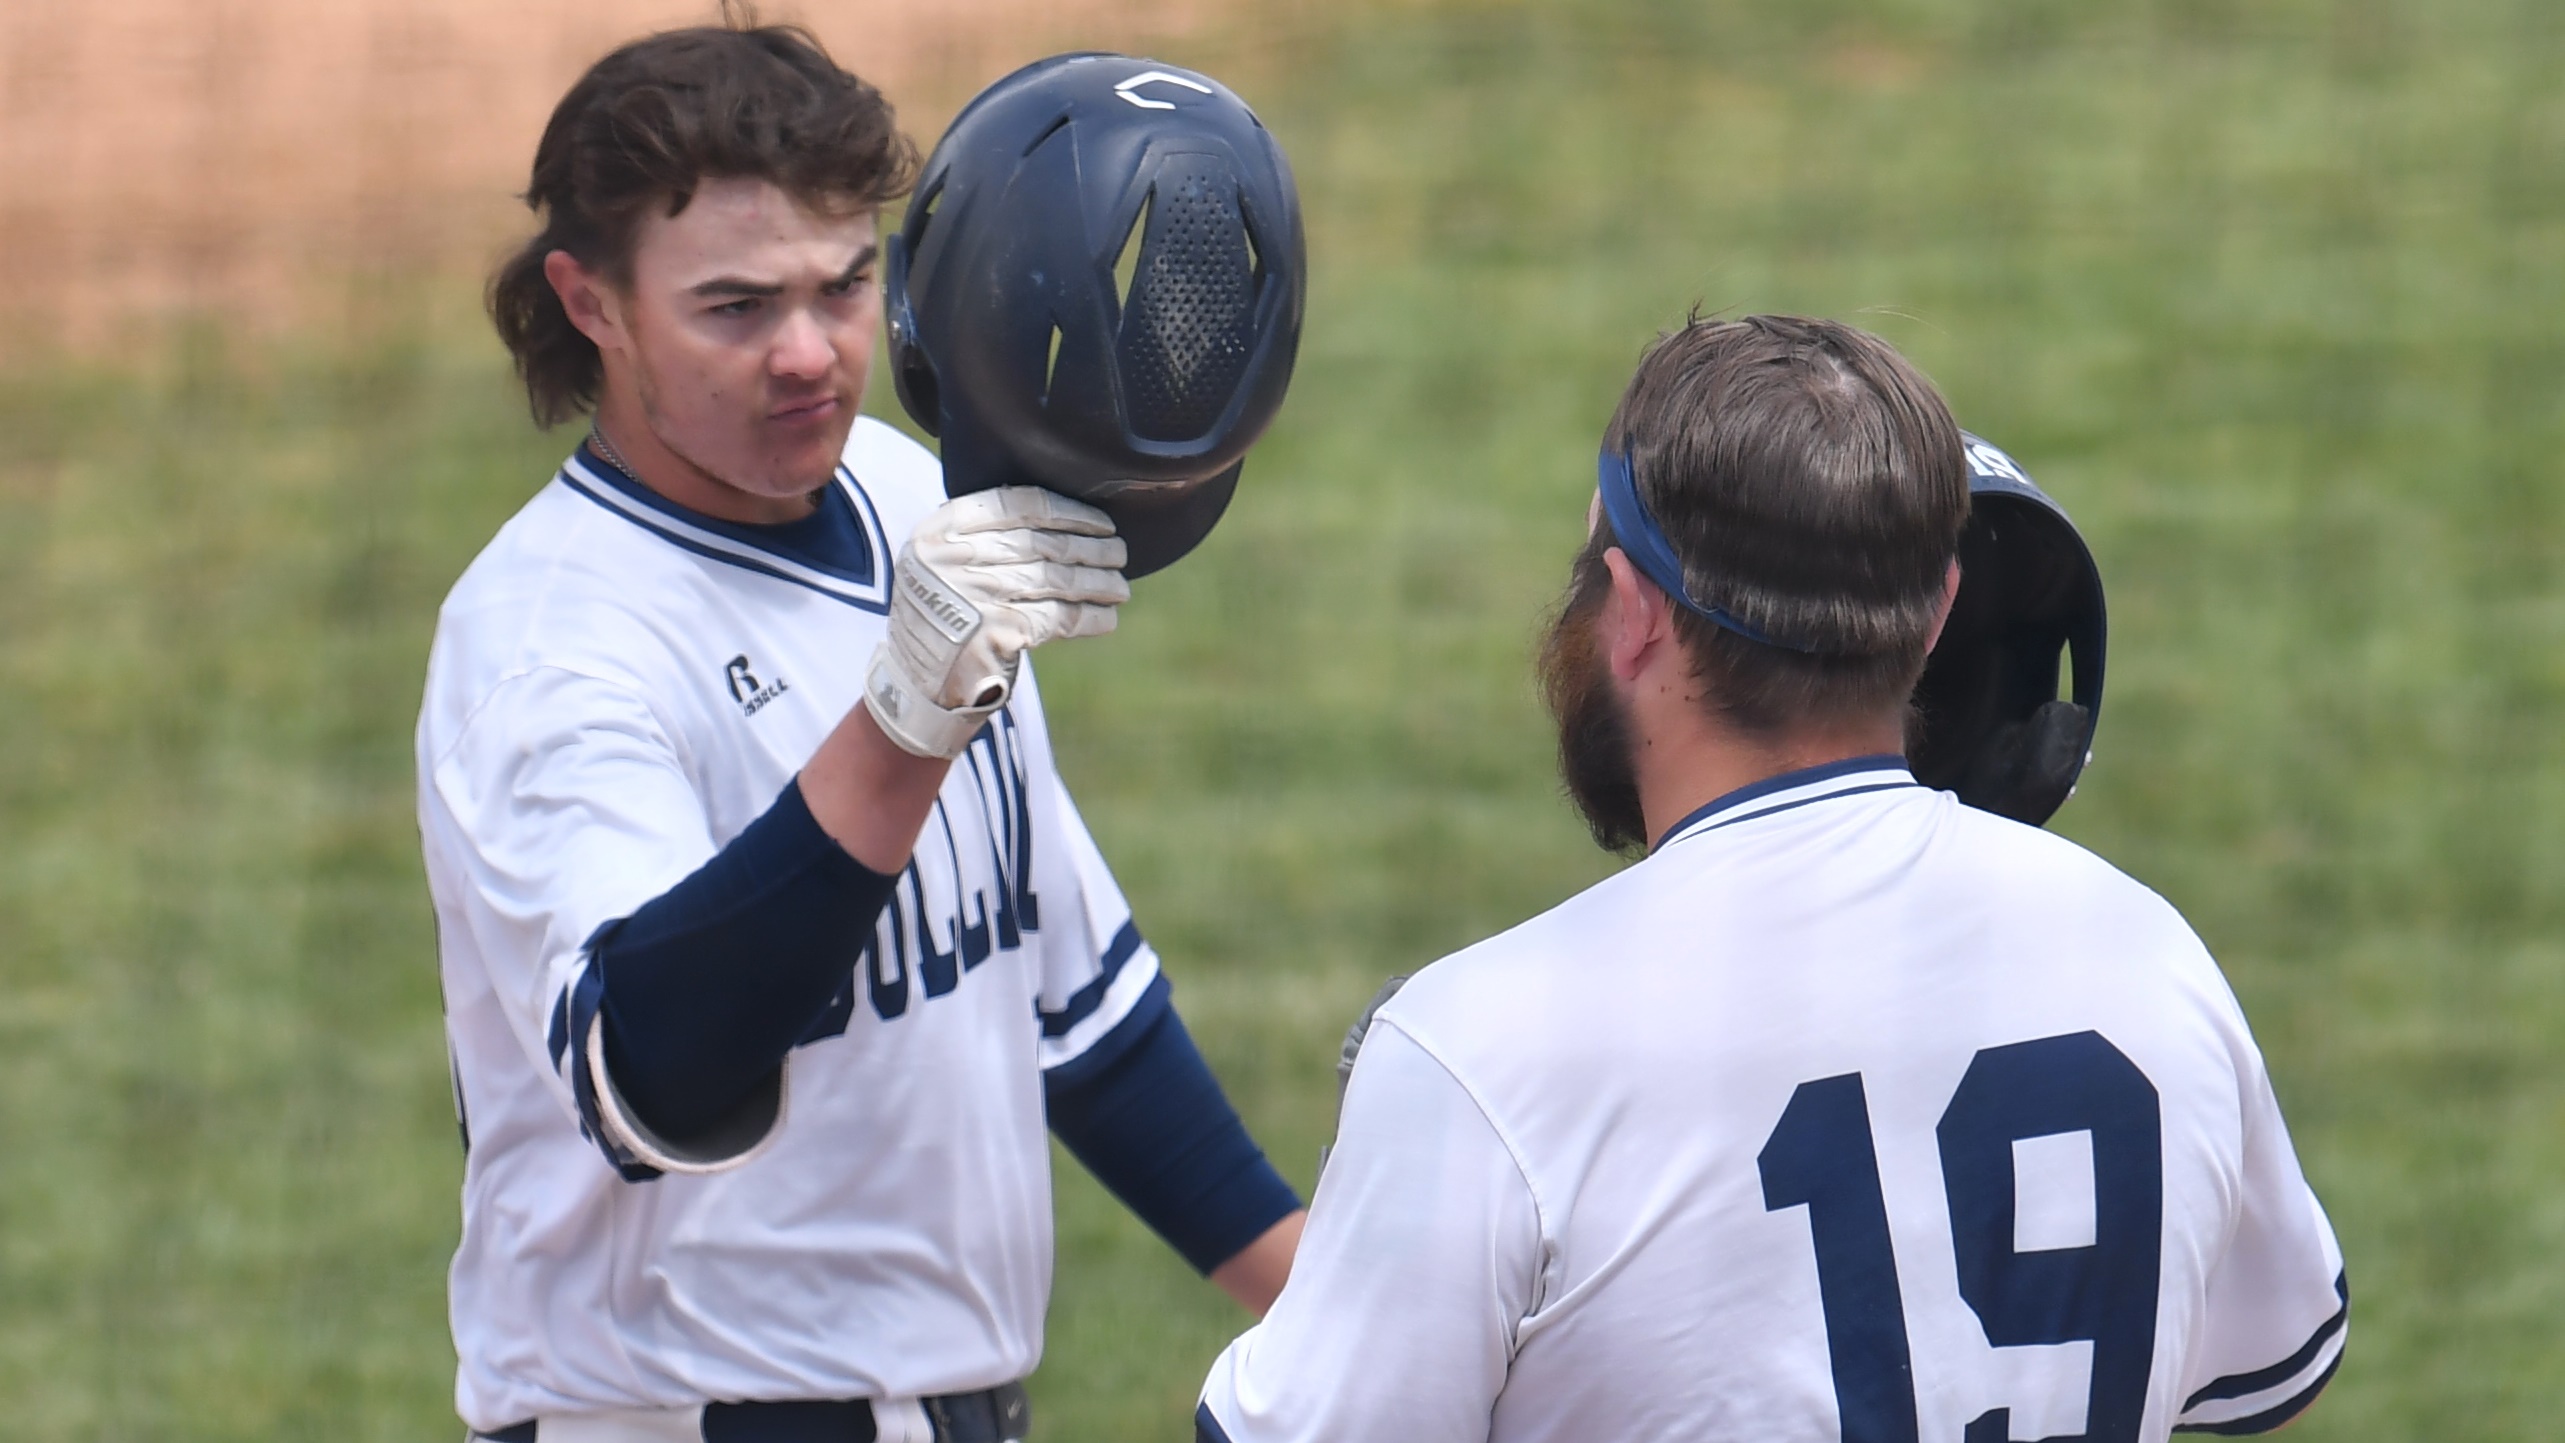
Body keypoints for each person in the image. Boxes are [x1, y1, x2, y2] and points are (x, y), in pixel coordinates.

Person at [1196, 315, 2345, 1443]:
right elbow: (2265, 1363)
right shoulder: (2145, 956)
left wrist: (1389, 1216)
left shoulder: (1485, 1051)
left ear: (1634, 618)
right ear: (1937, 612)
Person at [418, 19, 1303, 1441]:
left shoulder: (914, 508)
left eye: (840, 287)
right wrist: (905, 718)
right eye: (733, 306)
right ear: (590, 303)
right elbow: (655, 1069)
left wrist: (1323, 1293)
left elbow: (1072, 1005)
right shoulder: (550, 649)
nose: (807, 353)